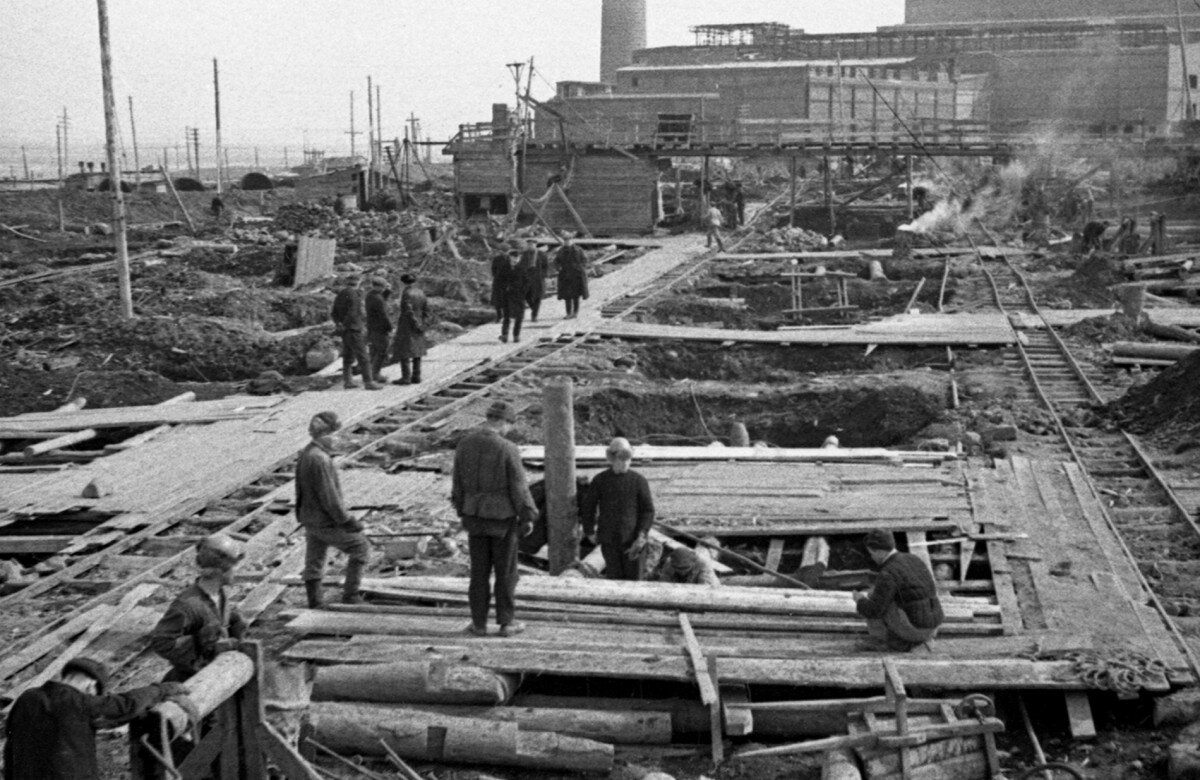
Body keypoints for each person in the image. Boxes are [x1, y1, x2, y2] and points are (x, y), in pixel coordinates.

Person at [4, 657, 191, 780]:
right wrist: (162, 689)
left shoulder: (27, 698)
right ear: (90, 684)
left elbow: (9, 746)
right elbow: (127, 705)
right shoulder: (80, 703)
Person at [451, 400, 538, 637]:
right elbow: (519, 488)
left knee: (478, 573)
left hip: (474, 516)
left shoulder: (465, 444)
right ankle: (506, 623)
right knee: (506, 572)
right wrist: (528, 515)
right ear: (504, 422)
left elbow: (457, 483)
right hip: (502, 519)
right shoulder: (507, 448)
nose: (509, 430)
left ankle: (478, 624)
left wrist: (462, 510)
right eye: (510, 425)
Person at [295, 411, 371, 607]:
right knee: (360, 548)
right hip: (324, 520)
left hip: (310, 518)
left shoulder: (307, 452)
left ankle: (315, 601)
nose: (337, 439)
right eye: (335, 434)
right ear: (325, 434)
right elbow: (330, 498)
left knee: (315, 560)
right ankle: (351, 596)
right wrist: (347, 521)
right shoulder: (320, 459)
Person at [149, 534, 247, 681]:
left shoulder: (220, 593)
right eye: (235, 567)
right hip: (192, 681)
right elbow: (161, 643)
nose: (238, 572)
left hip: (218, 672)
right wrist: (201, 643)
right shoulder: (188, 605)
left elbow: (212, 619)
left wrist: (232, 621)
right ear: (220, 570)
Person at [853, 530, 944, 652]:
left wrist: (859, 600)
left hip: (917, 631)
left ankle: (883, 641)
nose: (871, 557)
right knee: (880, 595)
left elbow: (874, 611)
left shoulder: (888, 572)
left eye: (871, 553)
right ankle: (906, 639)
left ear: (880, 552)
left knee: (873, 601)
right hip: (934, 627)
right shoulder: (913, 558)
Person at [580, 437, 656, 581]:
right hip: (609, 541)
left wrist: (642, 535)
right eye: (621, 459)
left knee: (634, 581)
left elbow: (648, 510)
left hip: (632, 540)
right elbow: (588, 507)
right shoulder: (600, 480)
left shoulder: (638, 481)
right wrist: (589, 531)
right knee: (614, 579)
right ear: (612, 459)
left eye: (628, 459)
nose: (625, 463)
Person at [330, 274, 381, 391]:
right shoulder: (355, 295)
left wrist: (339, 324)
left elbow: (334, 312)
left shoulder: (341, 294)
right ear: (359, 282)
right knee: (364, 357)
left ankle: (348, 381)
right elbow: (353, 313)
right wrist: (346, 324)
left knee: (348, 356)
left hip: (345, 330)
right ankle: (369, 382)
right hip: (354, 329)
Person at [391, 272, 429, 385]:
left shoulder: (406, 293)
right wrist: (423, 324)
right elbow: (426, 309)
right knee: (417, 351)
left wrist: (415, 323)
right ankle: (416, 376)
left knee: (405, 351)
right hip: (420, 322)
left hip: (407, 324)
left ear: (402, 283)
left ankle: (406, 377)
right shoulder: (421, 292)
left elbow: (408, 311)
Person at [365, 275, 392, 384]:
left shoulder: (370, 295)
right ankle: (375, 374)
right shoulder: (378, 299)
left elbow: (381, 299)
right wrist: (390, 327)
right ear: (381, 287)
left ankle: (372, 373)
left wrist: (387, 292)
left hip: (371, 327)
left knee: (375, 351)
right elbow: (383, 315)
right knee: (382, 351)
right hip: (380, 328)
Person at [555, 232, 589, 319]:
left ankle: (575, 312)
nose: (567, 242)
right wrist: (558, 268)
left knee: (576, 295)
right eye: (565, 240)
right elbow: (556, 261)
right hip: (565, 276)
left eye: (568, 240)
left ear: (572, 240)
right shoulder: (561, 251)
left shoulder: (578, 250)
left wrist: (580, 269)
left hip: (576, 276)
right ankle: (568, 313)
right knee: (567, 296)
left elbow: (585, 260)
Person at [496, 249, 528, 343]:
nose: (515, 260)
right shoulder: (504, 268)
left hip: (519, 296)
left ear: (519, 258)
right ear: (510, 257)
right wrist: (504, 289)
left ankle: (516, 335)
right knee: (507, 316)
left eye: (517, 258)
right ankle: (505, 335)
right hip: (507, 295)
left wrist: (523, 292)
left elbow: (526, 282)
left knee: (519, 317)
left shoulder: (522, 268)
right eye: (514, 258)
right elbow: (498, 281)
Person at [518, 241, 549, 322]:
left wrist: (543, 275)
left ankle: (534, 315)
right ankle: (533, 308)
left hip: (538, 278)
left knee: (537, 297)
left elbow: (546, 266)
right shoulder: (524, 254)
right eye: (529, 245)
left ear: (535, 245)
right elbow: (520, 266)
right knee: (527, 296)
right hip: (527, 278)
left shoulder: (541, 254)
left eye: (532, 244)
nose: (530, 246)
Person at [489, 250, 509, 322]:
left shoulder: (510, 258)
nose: (503, 252)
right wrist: (496, 276)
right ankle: (499, 316)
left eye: (505, 250)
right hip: (498, 281)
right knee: (497, 300)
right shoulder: (497, 259)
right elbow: (493, 269)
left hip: (507, 281)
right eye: (502, 251)